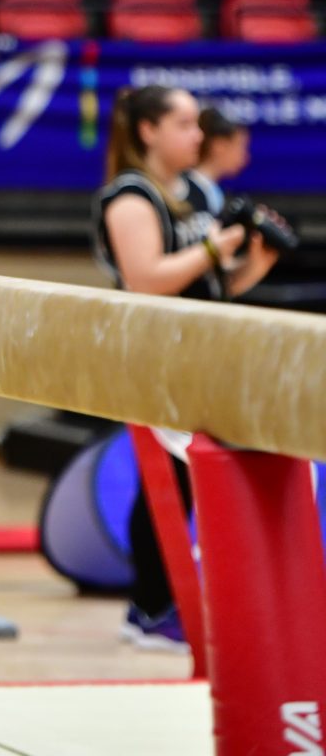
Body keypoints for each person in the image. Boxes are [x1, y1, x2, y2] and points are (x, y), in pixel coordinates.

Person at [93, 85, 278, 650]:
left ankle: (199, 597)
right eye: (185, 124)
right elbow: (146, 277)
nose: (199, 135)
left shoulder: (200, 189)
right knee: (168, 484)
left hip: (206, 350)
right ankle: (150, 609)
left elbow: (218, 283)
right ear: (149, 131)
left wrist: (257, 260)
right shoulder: (129, 196)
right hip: (156, 355)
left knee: (202, 482)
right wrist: (217, 251)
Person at [190, 107, 251, 216]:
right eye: (240, 147)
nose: (246, 157)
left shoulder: (212, 191)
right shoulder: (193, 190)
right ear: (219, 145)